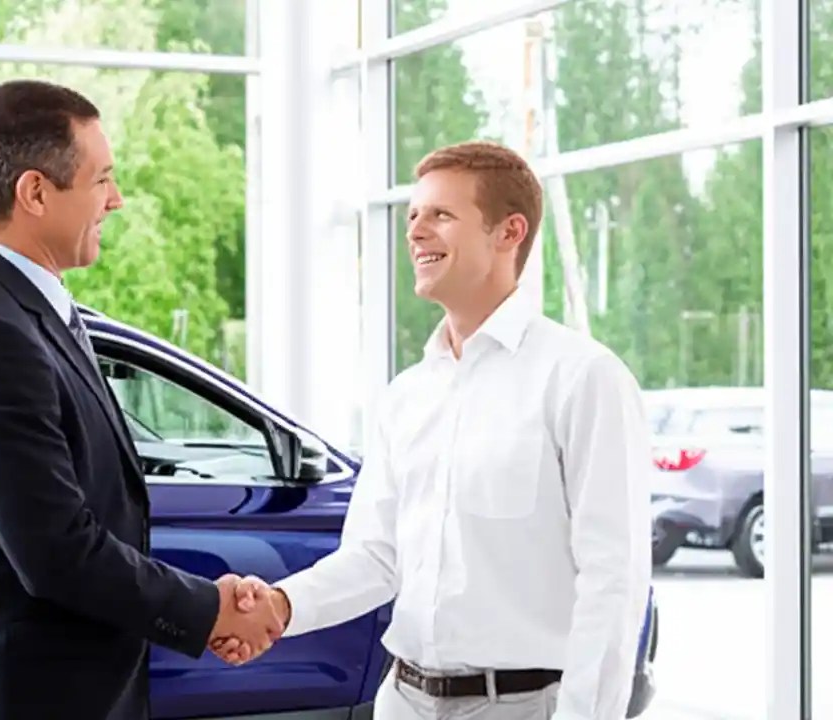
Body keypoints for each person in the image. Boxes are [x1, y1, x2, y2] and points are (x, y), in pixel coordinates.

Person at [220, 141, 653, 720]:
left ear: (510, 232)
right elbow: (375, 558)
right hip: (403, 700)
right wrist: (279, 603)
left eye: (441, 215)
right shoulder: (408, 395)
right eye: (413, 217)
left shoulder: (583, 379)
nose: (417, 232)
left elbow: (614, 581)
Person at [0, 79, 283, 720]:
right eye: (101, 179)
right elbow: (58, 553)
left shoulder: (13, 309)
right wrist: (210, 609)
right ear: (35, 192)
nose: (117, 199)